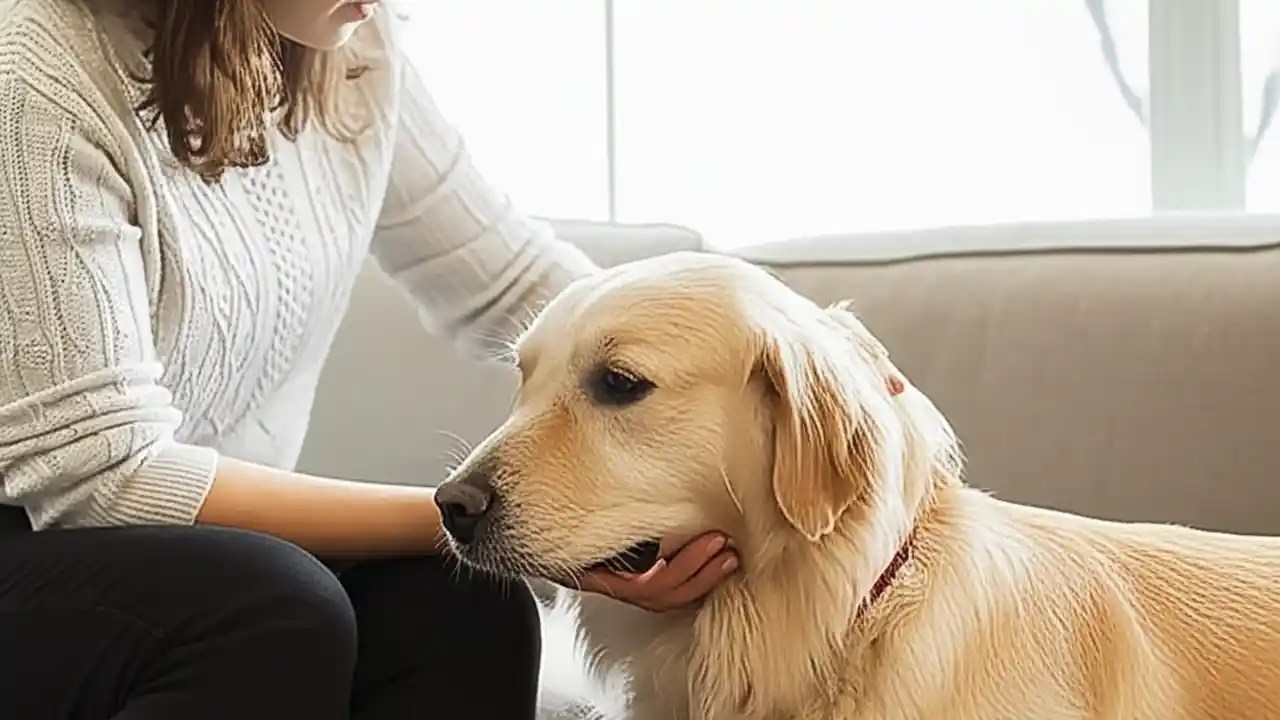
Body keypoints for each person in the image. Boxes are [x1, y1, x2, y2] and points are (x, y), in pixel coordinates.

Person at [0, 1, 739, 718]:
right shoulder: (34, 74)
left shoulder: (349, 45)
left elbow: (513, 282)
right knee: (275, 608)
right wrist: (497, 523)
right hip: (37, 540)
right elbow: (105, 481)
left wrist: (816, 374)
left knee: (465, 602)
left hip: (204, 558)